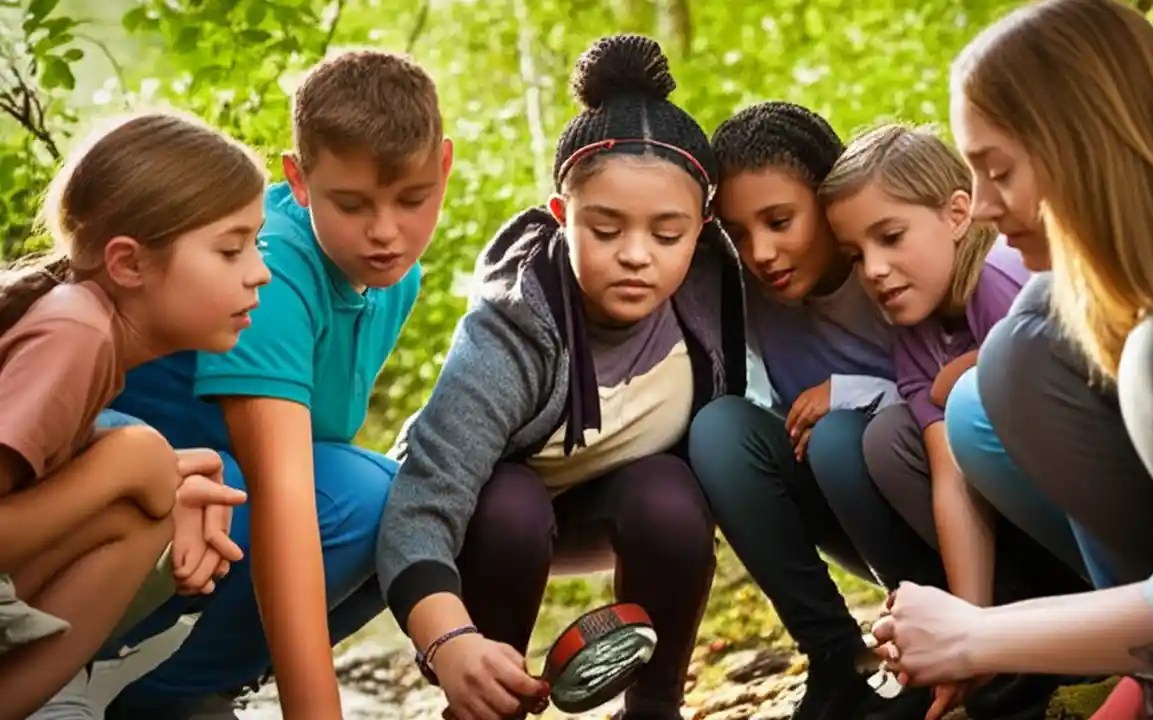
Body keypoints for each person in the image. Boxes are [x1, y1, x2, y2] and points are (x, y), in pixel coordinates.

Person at [873, 0, 1153, 716]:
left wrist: (971, 636)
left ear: (1086, 146)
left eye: (999, 171)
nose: (987, 209)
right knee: (1033, 326)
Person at [377, 33, 745, 720]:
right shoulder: (508, 330)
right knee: (511, 505)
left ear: (702, 228)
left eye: (667, 235)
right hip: (494, 532)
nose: (637, 256)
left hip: (613, 512)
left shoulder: (722, 295)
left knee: (668, 494)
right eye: (605, 230)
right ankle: (487, 701)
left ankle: (656, 706)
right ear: (560, 217)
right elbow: (420, 505)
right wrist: (449, 643)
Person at [102, 50, 453, 720]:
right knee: (374, 500)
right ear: (298, 178)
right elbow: (286, 498)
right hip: (138, 514)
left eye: (411, 199)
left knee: (415, 506)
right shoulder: (272, 268)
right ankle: (143, 689)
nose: (385, 232)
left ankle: (192, 686)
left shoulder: (395, 274)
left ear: (443, 166)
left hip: (212, 515)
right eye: (350, 204)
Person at [819, 123, 1090, 720]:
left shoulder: (1000, 277)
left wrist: (968, 369)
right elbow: (949, 474)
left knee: (962, 396)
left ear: (957, 214)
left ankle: (1096, 611)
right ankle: (1010, 638)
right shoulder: (911, 333)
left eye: (890, 237)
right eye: (856, 256)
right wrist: (970, 630)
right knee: (891, 441)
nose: (876, 270)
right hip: (1033, 513)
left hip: (1104, 503)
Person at [0, 111, 263, 719]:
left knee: (155, 496)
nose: (259, 272)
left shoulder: (87, 330)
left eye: (256, 244)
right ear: (128, 264)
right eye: (230, 249)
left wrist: (161, 476)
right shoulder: (76, 332)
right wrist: (131, 462)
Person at [687, 101, 934, 720]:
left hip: (934, 498)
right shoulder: (746, 290)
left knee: (837, 436)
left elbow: (952, 392)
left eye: (779, 221)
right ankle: (837, 659)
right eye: (739, 234)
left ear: (828, 201)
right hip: (844, 504)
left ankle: (933, 649)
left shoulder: (891, 264)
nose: (761, 251)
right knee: (719, 430)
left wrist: (849, 392)